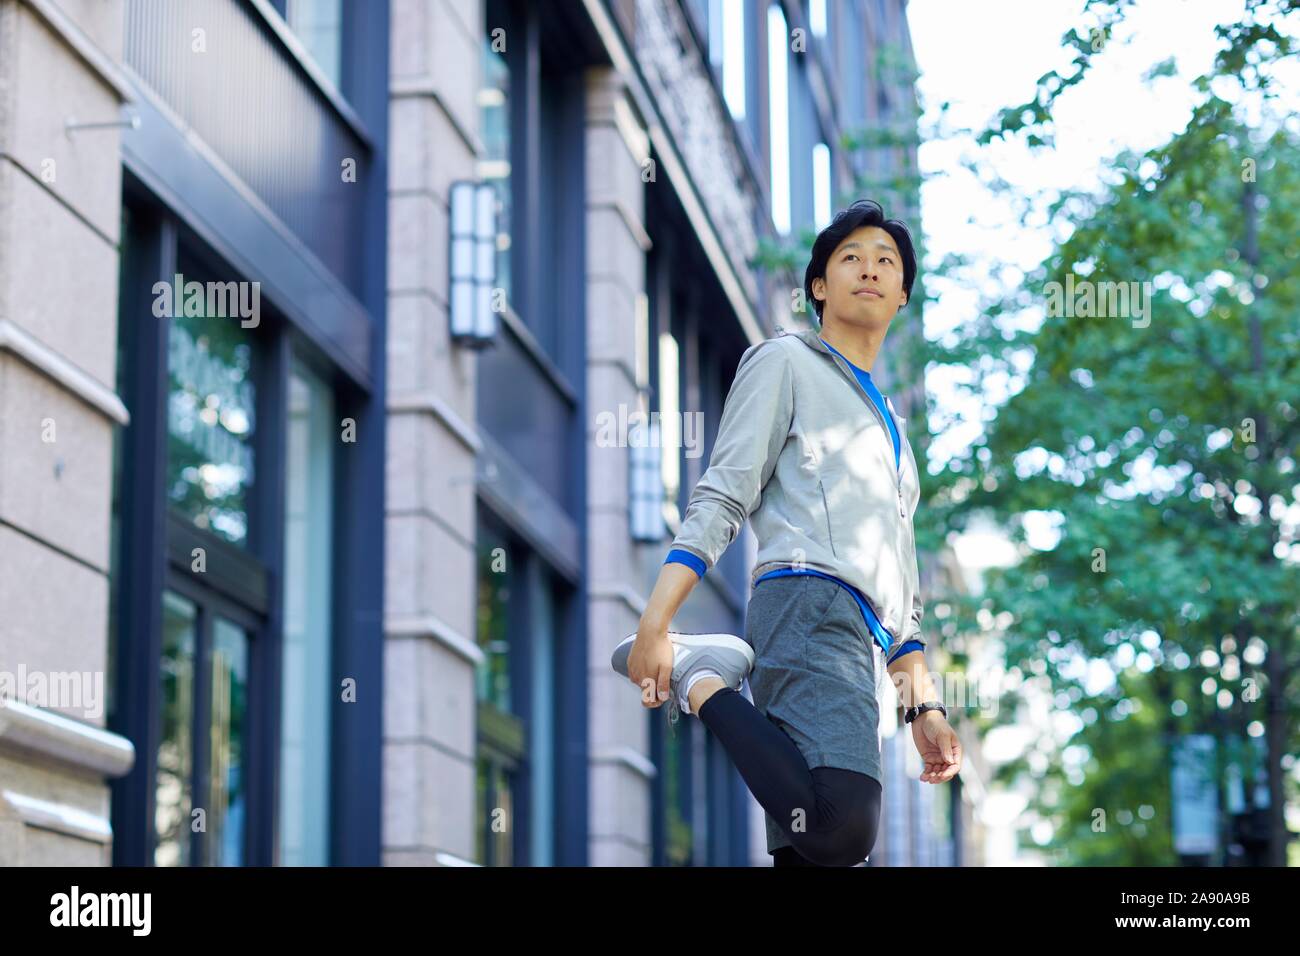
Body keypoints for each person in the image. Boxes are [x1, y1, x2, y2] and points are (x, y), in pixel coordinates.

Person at [611, 199, 962, 867]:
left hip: (859, 638)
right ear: (819, 288)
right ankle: (698, 675)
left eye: (885, 260)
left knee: (811, 853)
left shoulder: (894, 433)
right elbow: (725, 491)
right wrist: (657, 619)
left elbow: (903, 604)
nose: (870, 268)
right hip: (807, 603)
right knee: (839, 827)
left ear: (902, 295)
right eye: (850, 258)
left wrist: (924, 711)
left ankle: (704, 675)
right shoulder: (785, 362)